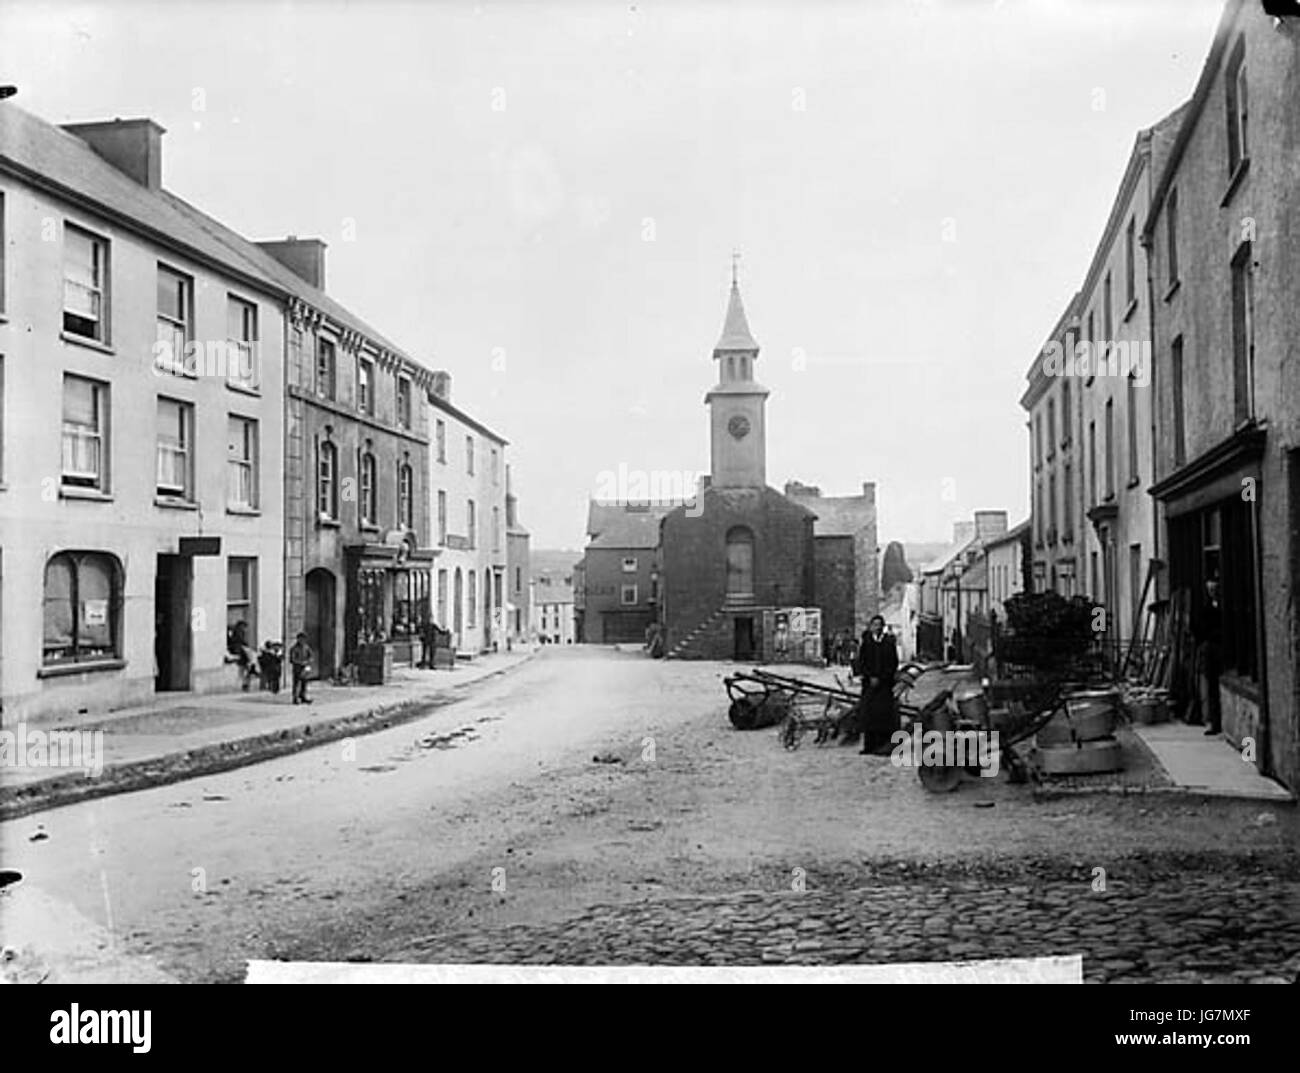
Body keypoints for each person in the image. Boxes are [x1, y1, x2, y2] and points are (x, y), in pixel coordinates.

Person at [853, 614, 899, 755]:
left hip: (884, 685)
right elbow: (862, 662)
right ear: (871, 626)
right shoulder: (866, 643)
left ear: (882, 627)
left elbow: (893, 663)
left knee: (883, 716)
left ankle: (883, 745)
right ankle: (869, 746)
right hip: (869, 685)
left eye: (879, 625)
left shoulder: (888, 642)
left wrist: (883, 677)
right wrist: (869, 676)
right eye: (874, 625)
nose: (877, 628)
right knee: (868, 715)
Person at [1190, 574, 1223, 736]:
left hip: (1220, 648)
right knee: (1210, 688)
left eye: (1214, 589)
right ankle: (1213, 721)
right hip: (1209, 647)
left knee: (1213, 687)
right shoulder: (1205, 607)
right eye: (1209, 589)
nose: (1212, 592)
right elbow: (1197, 626)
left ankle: (1215, 722)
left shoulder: (1222, 606)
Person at [289, 631, 314, 705]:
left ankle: (303, 696)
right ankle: (295, 698)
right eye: (301, 639)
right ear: (298, 639)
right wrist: (300, 662)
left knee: (304, 683)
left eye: (304, 639)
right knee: (296, 683)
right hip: (297, 668)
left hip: (305, 667)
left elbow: (311, 655)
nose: (302, 640)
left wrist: (308, 661)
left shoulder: (306, 647)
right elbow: (292, 659)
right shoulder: (294, 648)